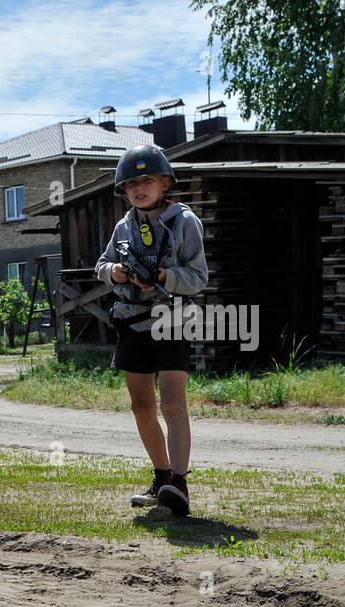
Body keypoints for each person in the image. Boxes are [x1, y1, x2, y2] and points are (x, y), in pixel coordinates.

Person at [95, 144, 210, 517]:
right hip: (132, 320)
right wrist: (114, 272)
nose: (139, 188)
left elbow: (198, 277)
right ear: (123, 191)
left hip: (172, 318)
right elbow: (102, 264)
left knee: (173, 402)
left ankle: (179, 483)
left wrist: (164, 277)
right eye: (130, 184)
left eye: (147, 180)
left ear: (165, 182)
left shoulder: (185, 223)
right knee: (141, 404)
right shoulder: (123, 228)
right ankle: (161, 479)